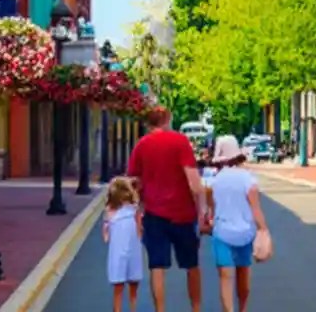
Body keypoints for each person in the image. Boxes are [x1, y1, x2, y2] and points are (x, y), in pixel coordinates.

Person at [127, 106, 209, 312]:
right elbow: (194, 183)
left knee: (157, 266)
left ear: (148, 122)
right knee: (191, 265)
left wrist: (139, 209)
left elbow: (133, 182)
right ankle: (196, 308)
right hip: (183, 214)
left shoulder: (141, 145)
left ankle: (160, 310)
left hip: (153, 214)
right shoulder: (180, 141)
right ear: (168, 119)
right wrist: (203, 211)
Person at [204, 135, 269, 312]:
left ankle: (228, 310)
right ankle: (242, 308)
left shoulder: (213, 181)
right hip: (245, 233)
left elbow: (211, 211)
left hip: (222, 233)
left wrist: (208, 221)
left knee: (225, 277)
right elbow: (256, 209)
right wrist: (264, 230)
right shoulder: (248, 179)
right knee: (243, 276)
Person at [102, 177, 143, 312]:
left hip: (119, 253)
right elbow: (139, 231)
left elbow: (106, 237)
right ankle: (130, 309)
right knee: (131, 288)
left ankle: (119, 309)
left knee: (120, 288)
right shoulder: (133, 211)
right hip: (131, 251)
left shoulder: (111, 212)